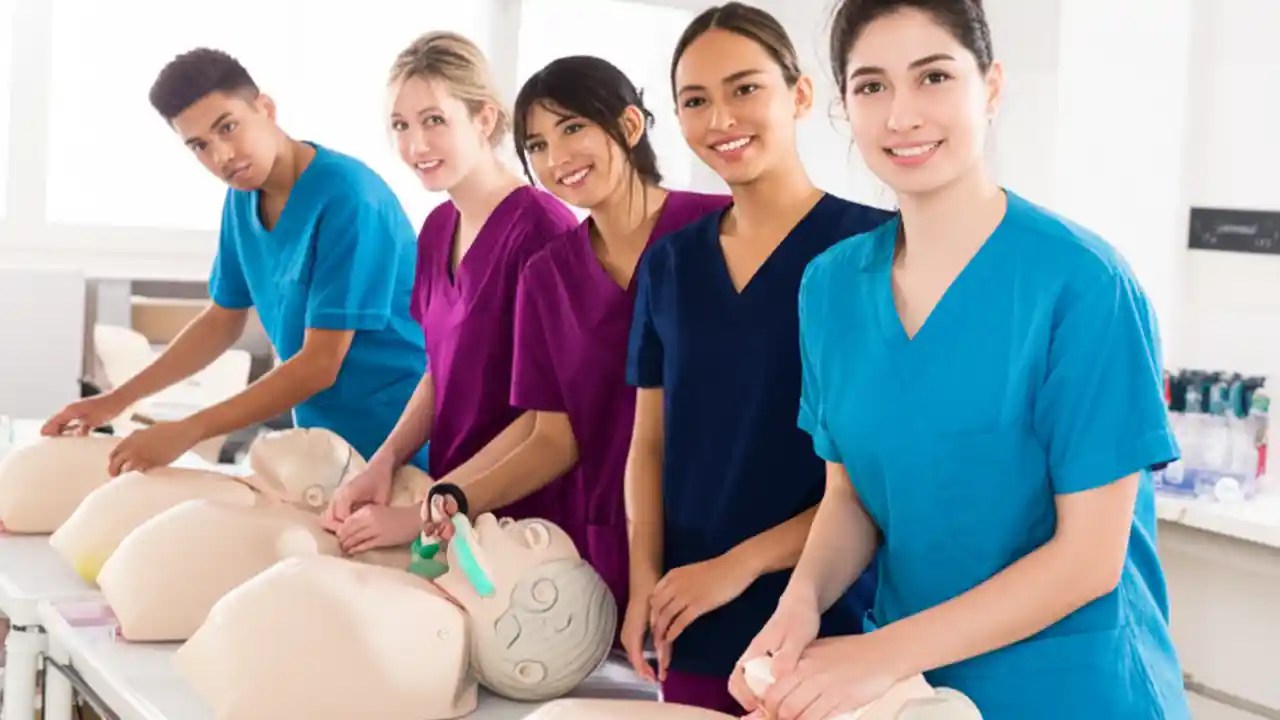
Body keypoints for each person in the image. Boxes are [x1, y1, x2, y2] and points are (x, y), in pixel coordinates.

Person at [733, 2, 1191, 719]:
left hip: (1072, 688)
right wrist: (801, 605)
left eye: (934, 76)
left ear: (993, 87)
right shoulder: (830, 287)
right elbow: (851, 498)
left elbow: (1088, 560)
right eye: (871, 86)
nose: (901, 115)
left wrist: (874, 655)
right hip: (917, 693)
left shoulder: (1083, 285)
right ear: (843, 107)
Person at [622, 3, 892, 713]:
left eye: (745, 89)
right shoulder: (671, 264)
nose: (721, 119)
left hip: (828, 617)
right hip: (690, 619)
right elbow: (648, 445)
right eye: (695, 100)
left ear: (799, 95)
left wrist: (736, 568)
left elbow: (878, 476)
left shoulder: (874, 252)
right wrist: (644, 579)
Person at [418, 55, 730, 616]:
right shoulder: (548, 273)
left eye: (572, 128)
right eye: (535, 146)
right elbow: (552, 438)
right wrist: (455, 497)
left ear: (629, 126)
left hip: (722, 537)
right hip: (609, 544)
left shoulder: (720, 229)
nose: (556, 158)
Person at [41, 49, 427, 480]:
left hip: (402, 446)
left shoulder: (350, 197)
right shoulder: (244, 196)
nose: (221, 156)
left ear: (265, 108)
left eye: (227, 128)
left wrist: (190, 430)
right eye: (199, 146)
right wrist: (114, 400)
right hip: (326, 450)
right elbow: (222, 318)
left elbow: (320, 363)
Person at [323, 32, 578, 555]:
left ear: (484, 119)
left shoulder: (542, 230)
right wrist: (385, 462)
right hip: (450, 513)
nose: (415, 145)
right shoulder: (439, 227)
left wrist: (427, 511)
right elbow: (441, 372)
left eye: (434, 120)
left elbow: (549, 418)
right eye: (401, 125)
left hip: (525, 525)